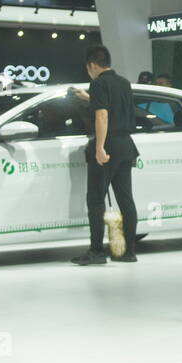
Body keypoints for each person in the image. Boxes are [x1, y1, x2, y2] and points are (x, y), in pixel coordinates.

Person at [70, 45, 138, 265]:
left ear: (91, 65)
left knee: (96, 199)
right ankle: (129, 252)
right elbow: (113, 107)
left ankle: (97, 251)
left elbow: (102, 115)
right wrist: (90, 98)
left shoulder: (98, 82)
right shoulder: (124, 83)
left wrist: (99, 148)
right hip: (126, 145)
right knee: (126, 200)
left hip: (108, 146)